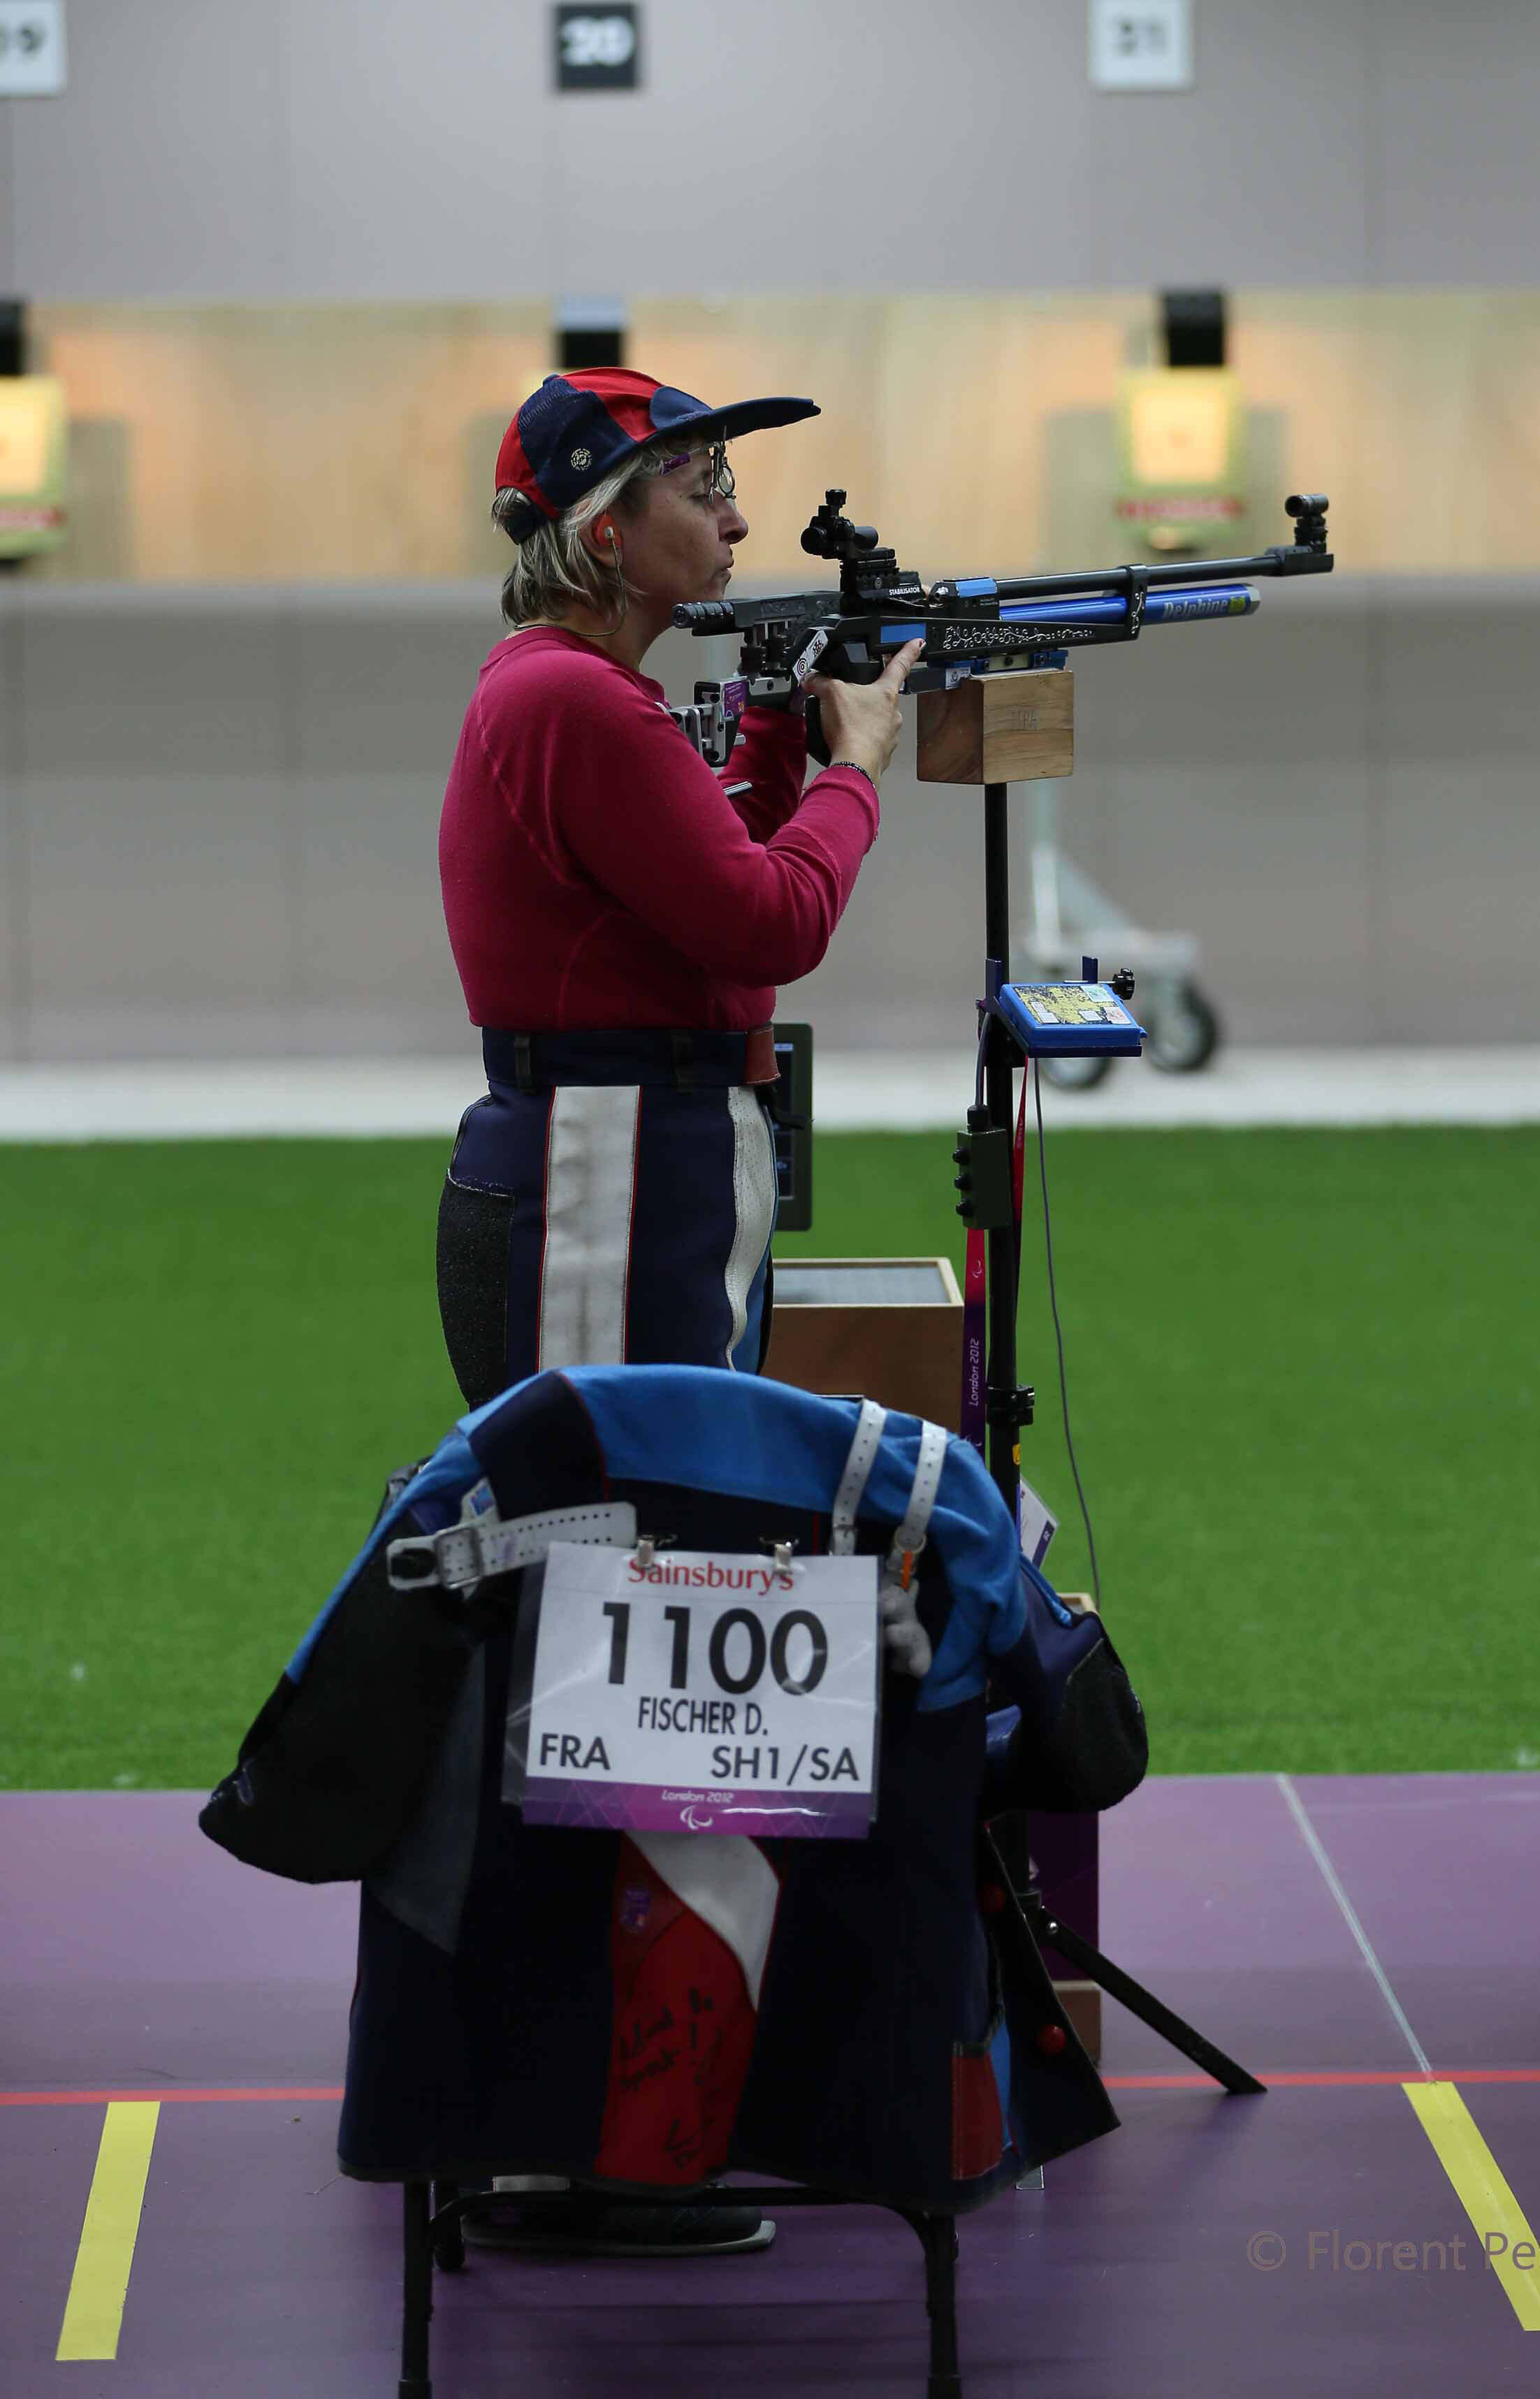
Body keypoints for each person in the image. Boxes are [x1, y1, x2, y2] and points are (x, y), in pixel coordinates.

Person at [430, 368, 917, 2255]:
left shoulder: (582, 696)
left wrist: (796, 758)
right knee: (606, 1602)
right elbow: (769, 925)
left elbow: (703, 890)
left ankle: (605, 2090)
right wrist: (862, 754)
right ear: (603, 529)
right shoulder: (573, 699)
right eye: (702, 486)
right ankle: (566, 2122)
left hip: (630, 1160)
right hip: (604, 1176)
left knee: (625, 1590)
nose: (732, 516)